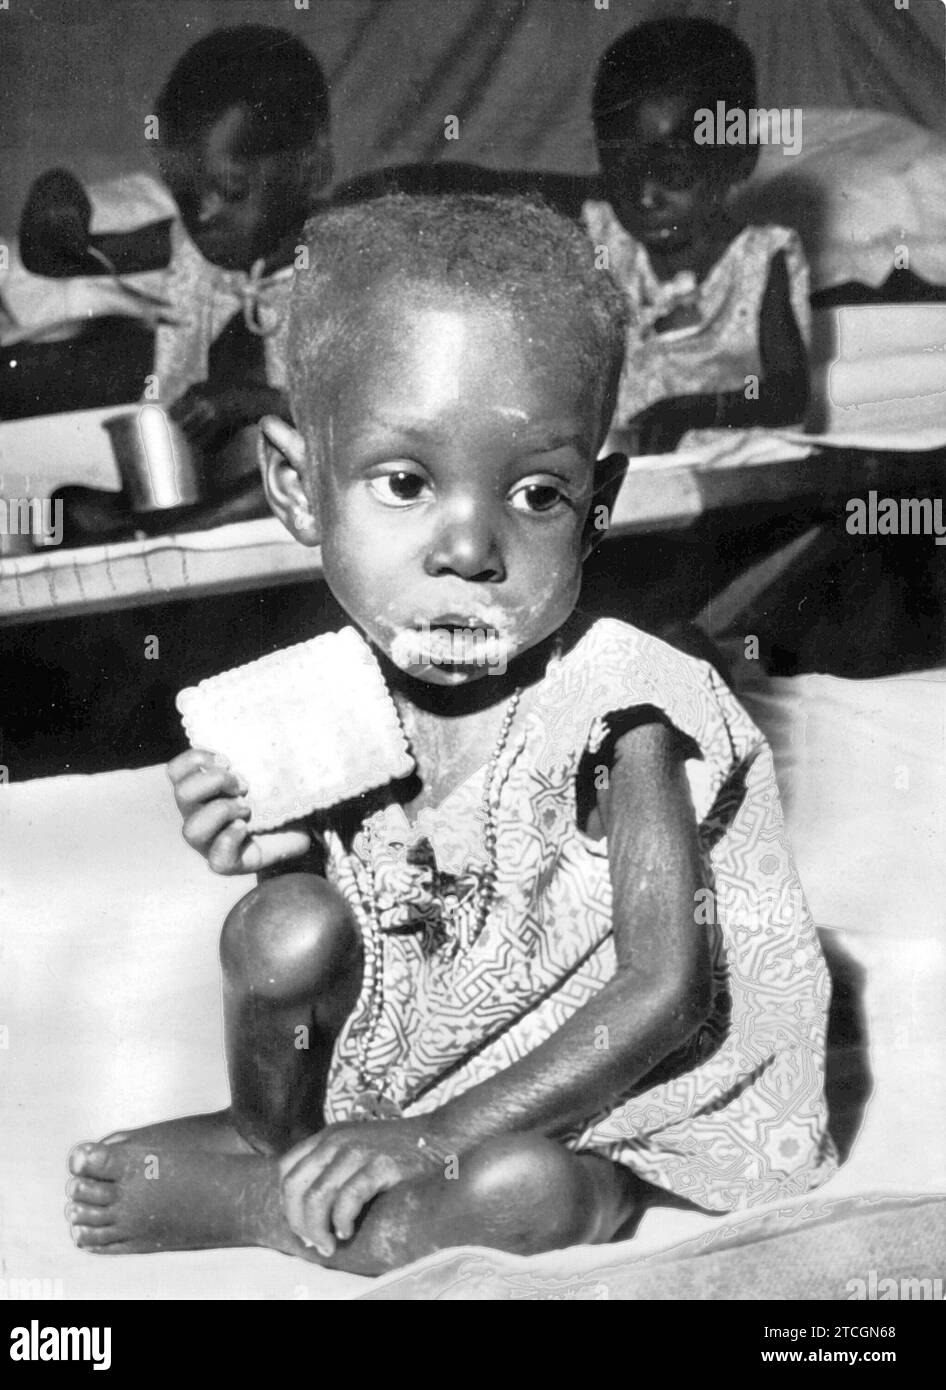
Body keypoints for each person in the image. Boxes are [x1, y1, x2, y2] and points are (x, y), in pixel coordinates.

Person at [65, 194, 835, 1276]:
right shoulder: (325, 694)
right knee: (279, 928)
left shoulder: (623, 708)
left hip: (591, 1097)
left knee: (533, 1193)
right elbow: (346, 915)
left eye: (535, 493)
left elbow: (664, 991)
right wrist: (256, 842)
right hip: (402, 1064)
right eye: (405, 481)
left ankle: (265, 1206)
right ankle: (272, 1144)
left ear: (597, 503)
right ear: (297, 487)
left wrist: (431, 1138)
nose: (471, 545)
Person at [20, 25, 332, 534]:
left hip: (303, 491)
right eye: (184, 194)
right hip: (200, 487)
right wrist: (55, 195)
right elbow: (51, 259)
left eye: (231, 190)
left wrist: (252, 404)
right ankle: (182, 524)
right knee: (66, 506)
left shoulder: (345, 254)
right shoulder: (188, 251)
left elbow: (368, 413)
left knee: (308, 479)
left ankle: (178, 530)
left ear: (311, 167)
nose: (203, 214)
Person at [583, 18, 810, 454]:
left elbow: (789, 395)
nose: (645, 196)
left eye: (672, 173)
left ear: (739, 158)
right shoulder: (606, 244)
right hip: (629, 476)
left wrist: (693, 412)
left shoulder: (760, 260)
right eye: (620, 172)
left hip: (729, 467)